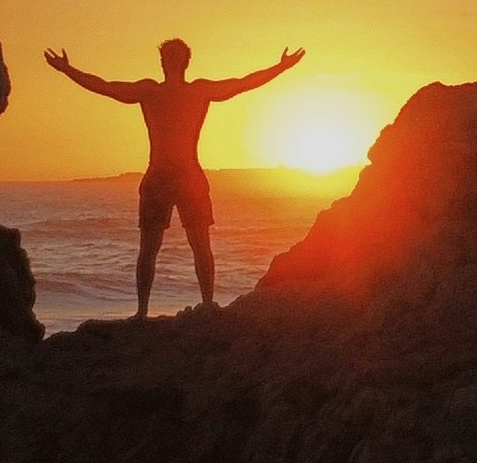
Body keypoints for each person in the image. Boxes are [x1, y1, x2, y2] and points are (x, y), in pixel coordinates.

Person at [45, 39, 302, 316]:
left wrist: (280, 67)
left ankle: (205, 304)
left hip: (186, 175)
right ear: (167, 62)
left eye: (172, 56)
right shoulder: (151, 90)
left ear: (178, 62)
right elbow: (106, 87)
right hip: (162, 176)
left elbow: (243, 83)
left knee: (199, 245)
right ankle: (144, 311)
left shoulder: (192, 90)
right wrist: (68, 71)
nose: (169, 60)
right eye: (168, 56)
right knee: (152, 248)